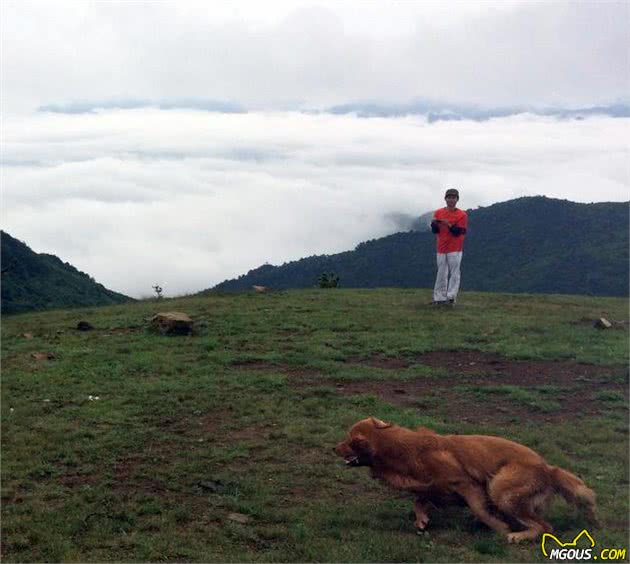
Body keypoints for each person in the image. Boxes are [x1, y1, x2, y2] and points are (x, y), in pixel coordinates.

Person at [430, 188, 468, 305]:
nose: (451, 200)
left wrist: (448, 224)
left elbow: (459, 231)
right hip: (441, 247)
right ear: (445, 199)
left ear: (457, 200)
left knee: (454, 272)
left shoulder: (462, 215)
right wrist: (434, 224)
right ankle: (439, 298)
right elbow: (435, 230)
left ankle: (451, 296)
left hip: (455, 248)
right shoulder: (438, 213)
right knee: (441, 272)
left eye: (453, 198)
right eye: (449, 197)